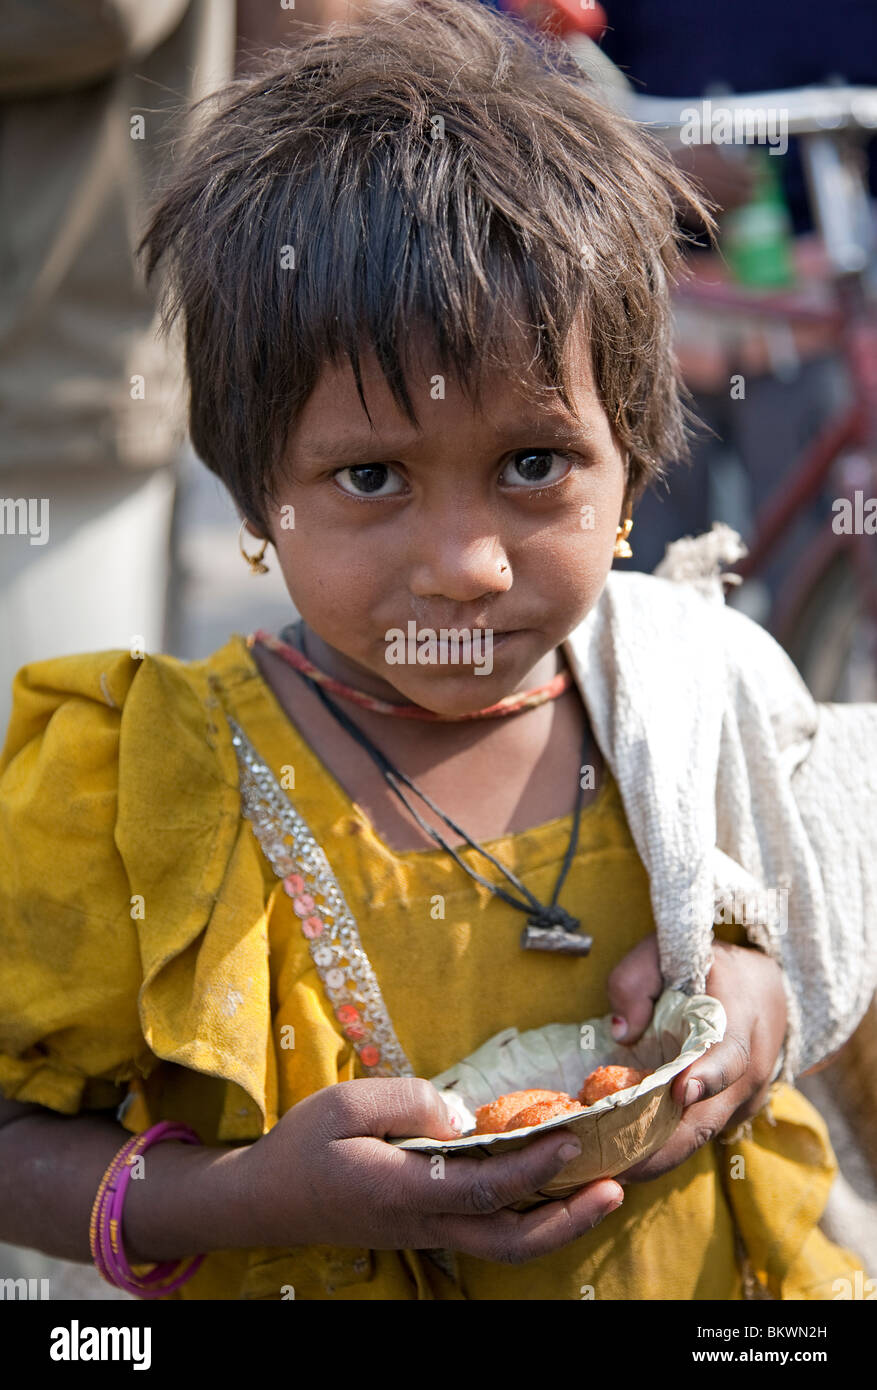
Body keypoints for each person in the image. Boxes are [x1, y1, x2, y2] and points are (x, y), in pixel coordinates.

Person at [0, 0, 875, 1301]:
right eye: (368, 476)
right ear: (254, 496)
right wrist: (256, 1194)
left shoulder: (706, 699)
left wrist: (756, 1004)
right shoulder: (141, 789)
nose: (465, 560)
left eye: (533, 464)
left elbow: (823, 935)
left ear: (631, 457)